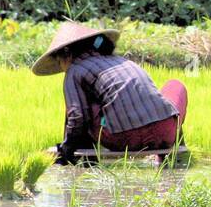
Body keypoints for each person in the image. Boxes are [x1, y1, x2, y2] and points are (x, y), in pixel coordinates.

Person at [32, 22, 188, 164]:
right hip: (166, 132)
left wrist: (65, 150)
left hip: (124, 139)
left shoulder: (75, 69)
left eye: (59, 62)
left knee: (79, 105)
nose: (62, 68)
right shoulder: (122, 61)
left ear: (67, 54)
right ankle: (171, 156)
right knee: (175, 86)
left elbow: (77, 117)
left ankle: (87, 160)